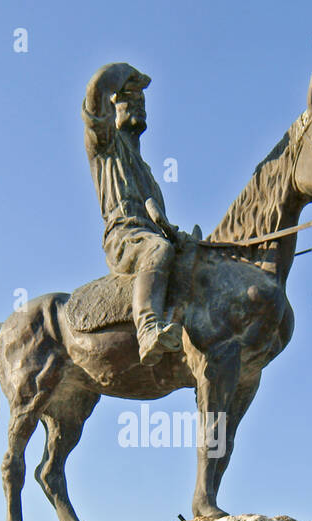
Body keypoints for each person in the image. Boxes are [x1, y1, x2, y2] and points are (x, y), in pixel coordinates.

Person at [82, 62, 182, 365]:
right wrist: (123, 72)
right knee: (158, 249)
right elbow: (97, 92)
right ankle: (148, 329)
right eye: (129, 100)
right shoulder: (105, 145)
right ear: (113, 110)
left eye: (141, 100)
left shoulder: (148, 173)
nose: (139, 105)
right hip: (124, 236)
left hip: (148, 233)